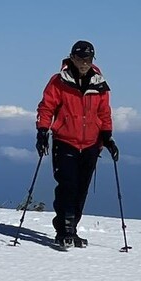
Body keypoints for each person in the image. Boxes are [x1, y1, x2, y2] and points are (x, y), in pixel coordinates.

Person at [35, 39, 119, 248]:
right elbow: (46, 107)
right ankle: (64, 231)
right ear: (72, 58)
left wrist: (107, 137)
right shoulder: (58, 81)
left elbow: (104, 112)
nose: (84, 63)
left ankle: (71, 230)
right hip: (65, 141)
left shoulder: (99, 83)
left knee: (81, 189)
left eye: (88, 59)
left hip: (91, 144)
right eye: (80, 58)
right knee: (67, 186)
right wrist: (42, 131)